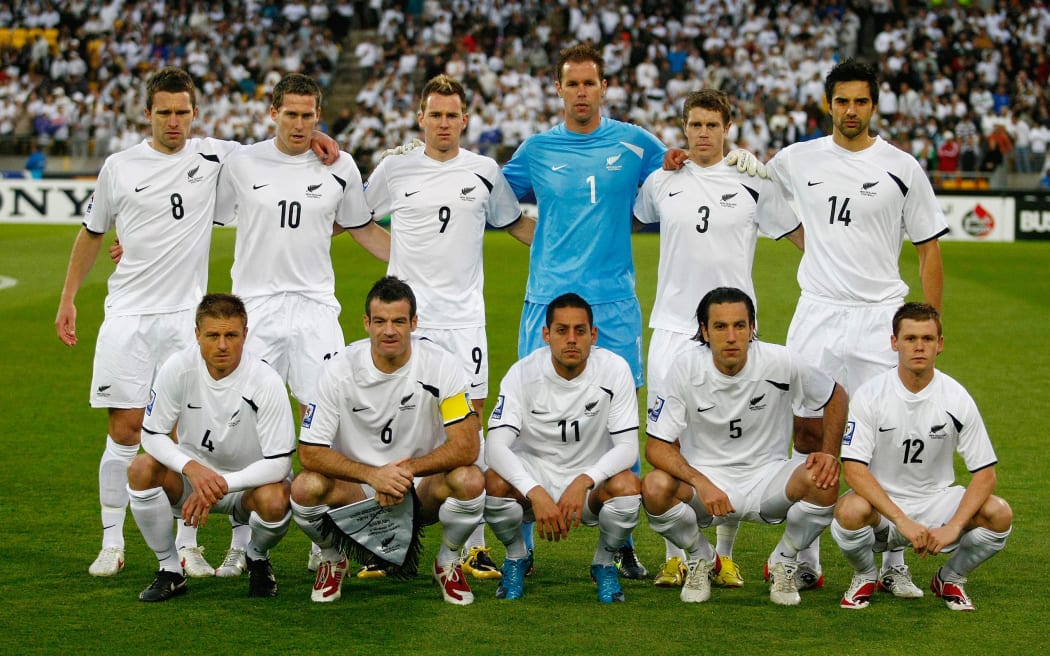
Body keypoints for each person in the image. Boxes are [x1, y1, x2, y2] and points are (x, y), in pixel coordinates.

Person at [763, 58, 948, 591]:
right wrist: (683, 156)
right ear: (828, 104)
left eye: (860, 101)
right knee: (806, 431)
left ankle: (893, 564)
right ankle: (807, 557)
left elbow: (928, 249)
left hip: (877, 317)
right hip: (817, 310)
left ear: (874, 105)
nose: (850, 110)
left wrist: (928, 323)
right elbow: (743, 176)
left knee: (883, 438)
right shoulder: (798, 158)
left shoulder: (902, 166)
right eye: (841, 101)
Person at [500, 42, 666, 580]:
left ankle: (621, 541)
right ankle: (519, 546)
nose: (581, 93)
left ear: (603, 88)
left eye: (589, 83)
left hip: (612, 305)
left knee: (622, 423)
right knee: (525, 419)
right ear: (559, 90)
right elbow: (492, 197)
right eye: (571, 84)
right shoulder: (537, 150)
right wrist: (539, 239)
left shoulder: (637, 144)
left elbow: (678, 175)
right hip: (545, 302)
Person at [213, 73, 388, 576]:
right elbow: (205, 213)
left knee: (326, 426)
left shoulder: (341, 166)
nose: (299, 123)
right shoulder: (241, 163)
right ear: (272, 112)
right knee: (245, 427)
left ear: (319, 116)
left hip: (315, 310)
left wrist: (420, 268)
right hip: (257, 309)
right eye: (290, 113)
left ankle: (324, 538)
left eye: (308, 114)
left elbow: (362, 229)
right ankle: (242, 541)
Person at [362, 74, 532, 580]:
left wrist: (573, 246)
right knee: (395, 424)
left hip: (463, 323)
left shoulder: (483, 171)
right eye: (434, 114)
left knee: (468, 427)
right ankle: (386, 544)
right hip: (406, 323)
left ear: (464, 119)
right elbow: (353, 217)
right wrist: (397, 263)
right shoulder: (394, 167)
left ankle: (472, 545)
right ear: (421, 118)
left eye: (451, 115)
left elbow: (515, 224)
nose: (443, 123)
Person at [635, 89, 803, 590]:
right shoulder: (661, 180)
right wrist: (668, 162)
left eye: (712, 124)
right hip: (671, 326)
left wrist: (769, 172)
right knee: (674, 437)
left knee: (735, 433)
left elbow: (800, 236)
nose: (702, 133)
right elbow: (641, 213)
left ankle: (724, 556)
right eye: (695, 124)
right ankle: (682, 555)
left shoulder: (753, 181)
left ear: (728, 127)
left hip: (734, 326)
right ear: (683, 127)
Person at [642, 287, 847, 606]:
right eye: (721, 327)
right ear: (705, 332)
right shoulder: (684, 367)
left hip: (768, 481)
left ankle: (784, 559)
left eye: (740, 325)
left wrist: (830, 453)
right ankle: (700, 557)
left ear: (753, 328)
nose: (732, 336)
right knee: (654, 486)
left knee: (823, 478)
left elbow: (835, 396)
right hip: (706, 486)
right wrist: (701, 482)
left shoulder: (780, 361)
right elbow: (656, 447)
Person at [290, 276, 485, 606]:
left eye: (398, 321)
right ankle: (332, 558)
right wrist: (372, 475)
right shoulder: (338, 370)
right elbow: (310, 451)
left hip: (421, 487)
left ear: (414, 323)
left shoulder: (441, 365)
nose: (389, 331)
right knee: (304, 488)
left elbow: (467, 445)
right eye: (380, 321)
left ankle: (448, 561)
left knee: (470, 479)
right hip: (358, 488)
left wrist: (407, 469)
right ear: (366, 323)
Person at [832, 303, 1012, 611]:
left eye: (927, 339)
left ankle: (951, 577)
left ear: (939, 344)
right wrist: (901, 520)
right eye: (910, 338)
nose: (919, 346)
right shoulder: (870, 395)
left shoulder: (956, 398)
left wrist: (954, 525)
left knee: (999, 513)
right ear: (894, 343)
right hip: (883, 505)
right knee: (848, 511)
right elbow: (853, 470)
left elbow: (986, 475)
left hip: (936, 500)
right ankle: (865, 574)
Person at [126, 293, 297, 601]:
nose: (222, 345)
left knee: (276, 499)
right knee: (140, 469)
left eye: (231, 335)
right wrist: (192, 469)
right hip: (193, 482)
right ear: (197, 335)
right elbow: (151, 435)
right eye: (213, 335)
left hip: (248, 488)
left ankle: (256, 557)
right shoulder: (178, 368)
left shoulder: (265, 381)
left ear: (245, 334)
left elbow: (279, 463)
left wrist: (220, 484)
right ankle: (170, 569)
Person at [483, 293, 642, 603]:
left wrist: (584, 479)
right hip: (536, 478)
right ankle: (517, 557)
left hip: (587, 486)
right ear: (546, 335)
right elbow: (495, 448)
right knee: (493, 482)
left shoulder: (615, 370)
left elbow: (628, 449)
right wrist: (535, 491)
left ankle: (604, 563)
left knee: (628, 486)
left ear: (593, 335)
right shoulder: (522, 374)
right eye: (561, 330)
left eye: (580, 331)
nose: (571, 339)